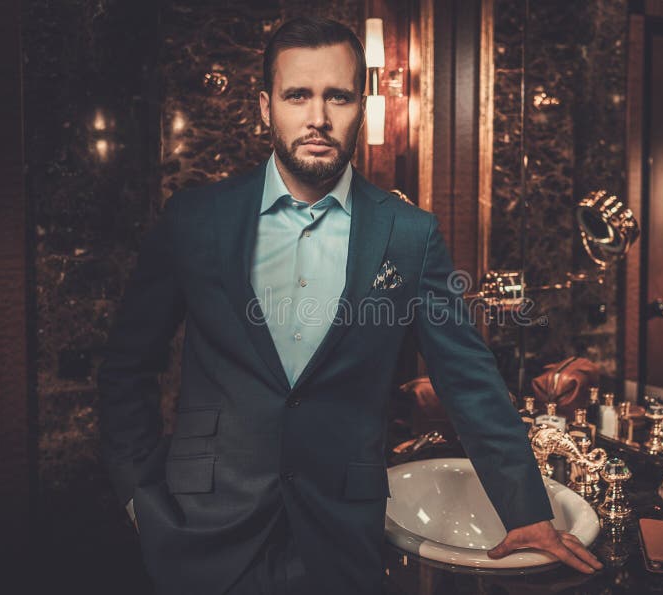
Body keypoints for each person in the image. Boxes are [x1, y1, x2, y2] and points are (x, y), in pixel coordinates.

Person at [97, 16, 602, 595]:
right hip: (204, 532)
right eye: (297, 96)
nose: (317, 117)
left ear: (362, 106)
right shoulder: (193, 219)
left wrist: (526, 510)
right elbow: (127, 365)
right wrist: (140, 495)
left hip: (339, 541)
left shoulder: (409, 235)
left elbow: (468, 379)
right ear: (265, 107)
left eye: (337, 96)